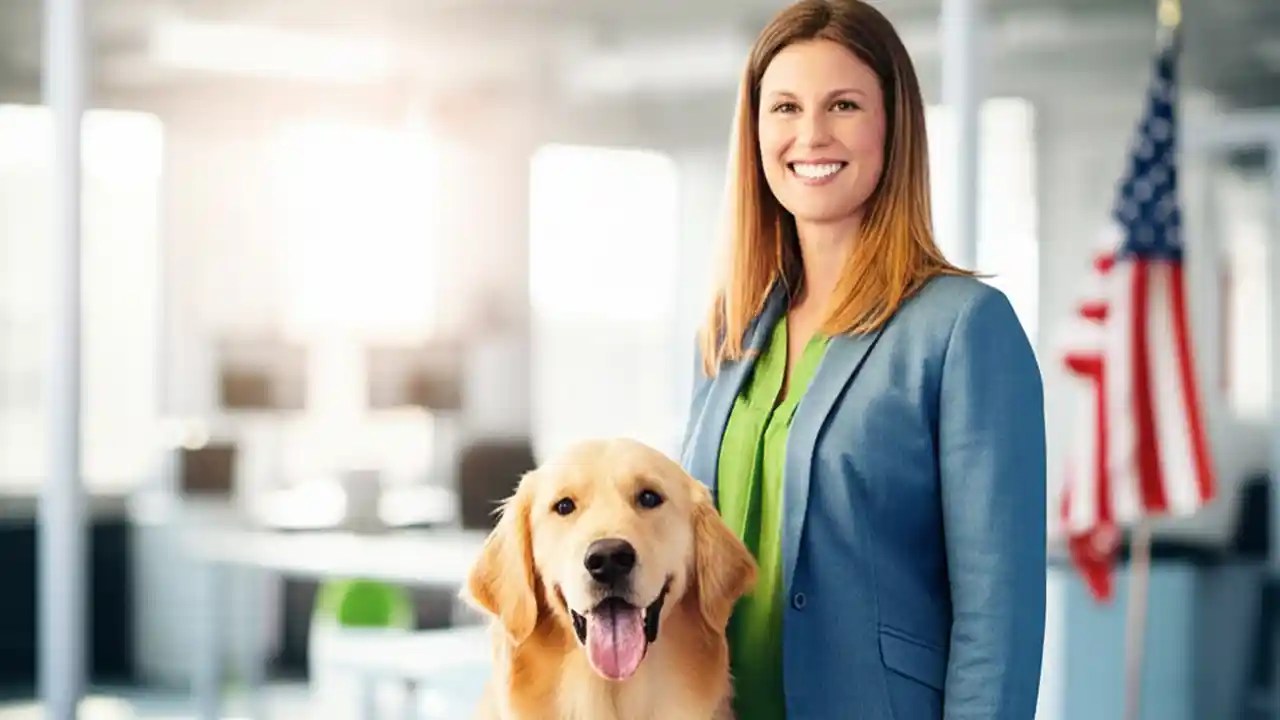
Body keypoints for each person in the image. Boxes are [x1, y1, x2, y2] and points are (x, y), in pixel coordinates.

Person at [679, 1, 1047, 718]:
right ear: (755, 133)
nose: (810, 134)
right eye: (784, 107)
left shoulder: (964, 328)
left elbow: (997, 618)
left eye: (843, 105)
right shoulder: (727, 337)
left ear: (893, 126)